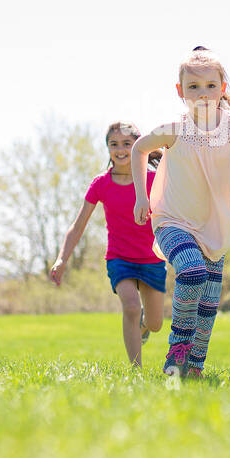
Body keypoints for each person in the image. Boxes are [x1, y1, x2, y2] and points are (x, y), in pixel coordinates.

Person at [131, 47, 230, 379]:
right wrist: (141, 198)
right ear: (180, 91)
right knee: (191, 272)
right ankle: (177, 348)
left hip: (215, 229)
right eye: (193, 87)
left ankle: (195, 367)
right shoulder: (174, 129)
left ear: (222, 87)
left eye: (209, 86)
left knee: (207, 306)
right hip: (172, 220)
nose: (202, 94)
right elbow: (138, 149)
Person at [50, 122, 167, 367]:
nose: (121, 149)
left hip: (152, 258)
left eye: (127, 143)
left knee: (156, 324)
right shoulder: (101, 184)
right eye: (114, 144)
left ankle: (144, 325)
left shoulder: (154, 179)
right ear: (108, 149)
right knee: (131, 306)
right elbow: (78, 224)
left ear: (139, 147)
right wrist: (62, 259)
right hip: (120, 259)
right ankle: (136, 371)